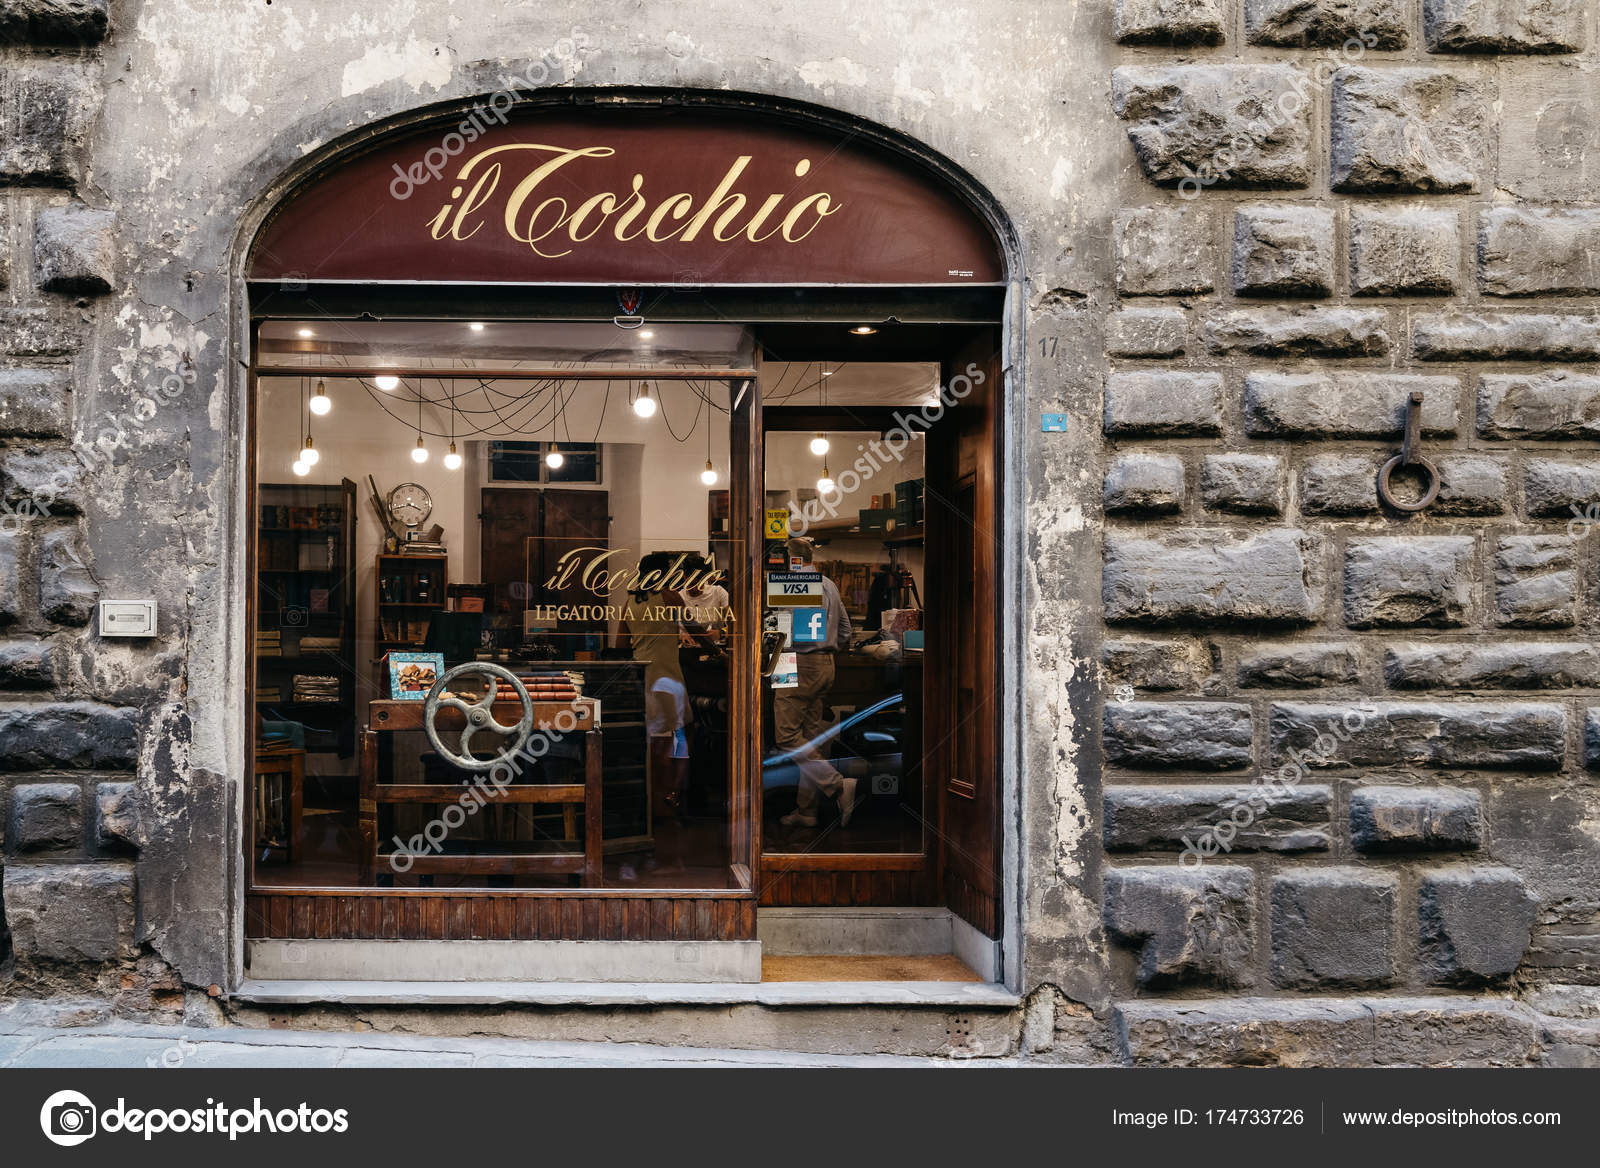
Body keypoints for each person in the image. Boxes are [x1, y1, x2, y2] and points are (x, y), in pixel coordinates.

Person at [777, 538, 857, 829]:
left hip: (794, 662)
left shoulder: (792, 583)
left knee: (786, 736)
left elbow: (781, 632)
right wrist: (829, 647)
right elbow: (846, 630)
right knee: (810, 740)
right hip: (826, 665)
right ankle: (806, 811)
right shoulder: (829, 584)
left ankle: (837, 785)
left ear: (791, 558)